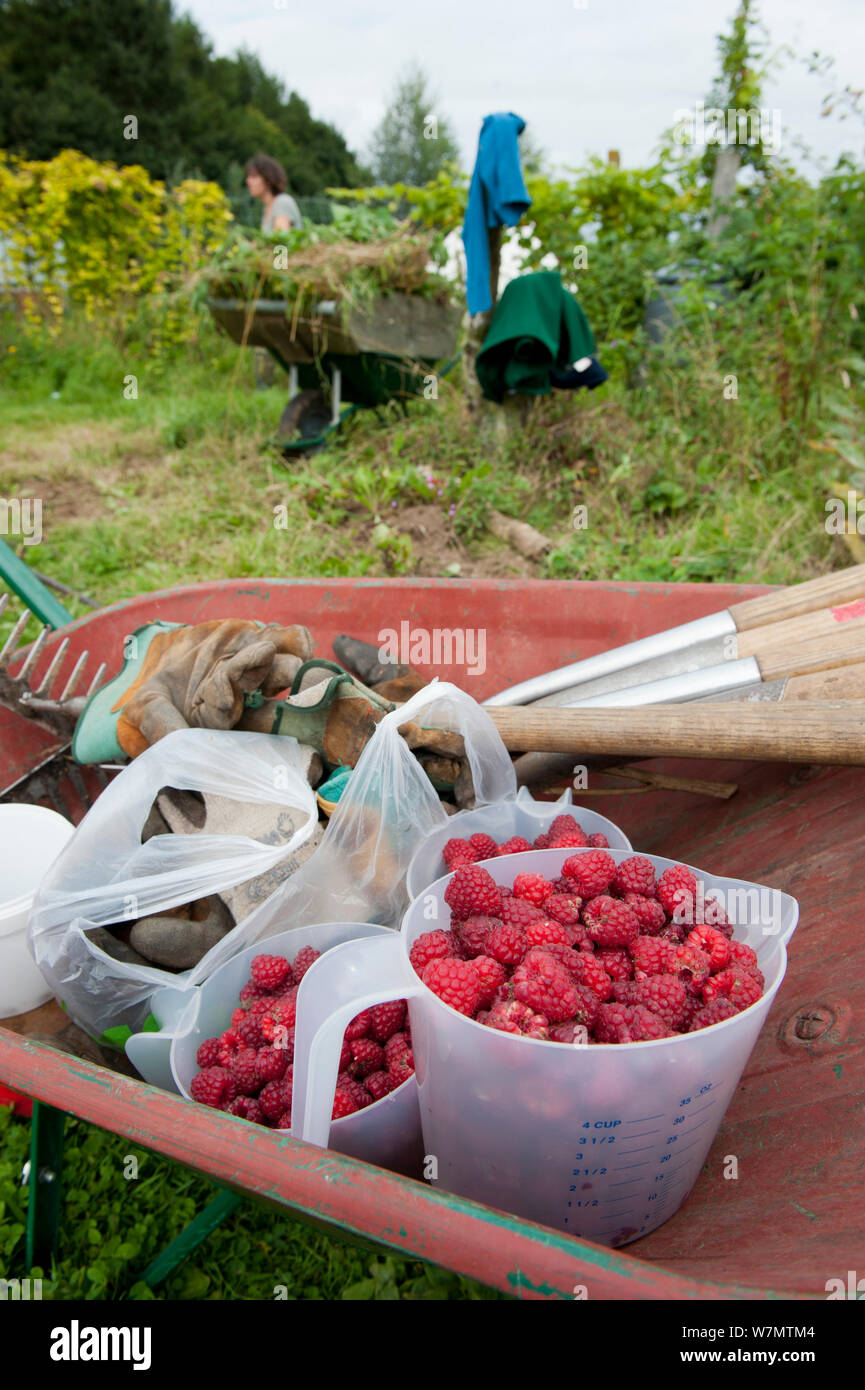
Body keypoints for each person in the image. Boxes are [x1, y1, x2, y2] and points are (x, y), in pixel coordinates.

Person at [244, 154, 303, 232]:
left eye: (254, 177)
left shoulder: (282, 202)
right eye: (248, 176)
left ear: (268, 179)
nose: (248, 181)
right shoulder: (268, 207)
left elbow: (279, 239)